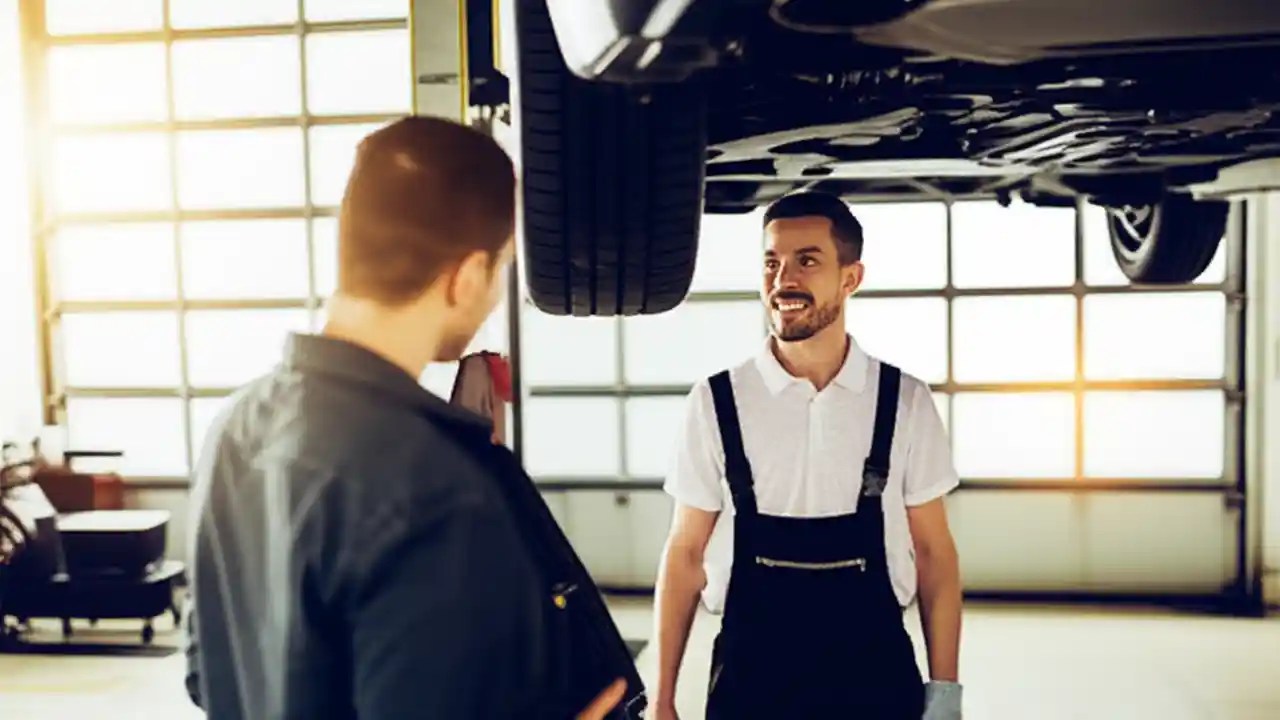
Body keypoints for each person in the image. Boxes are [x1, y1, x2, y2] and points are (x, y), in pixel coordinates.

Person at [183, 116, 625, 719]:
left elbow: (205, 675)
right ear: (466, 278)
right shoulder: (434, 484)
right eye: (500, 269)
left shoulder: (235, 427)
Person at [650, 191, 964, 719]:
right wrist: (662, 699)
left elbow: (934, 557)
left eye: (807, 261)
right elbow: (684, 556)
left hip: (874, 681)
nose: (783, 279)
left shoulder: (903, 400)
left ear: (851, 278)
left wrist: (945, 691)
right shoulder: (717, 401)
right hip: (752, 682)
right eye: (771, 262)